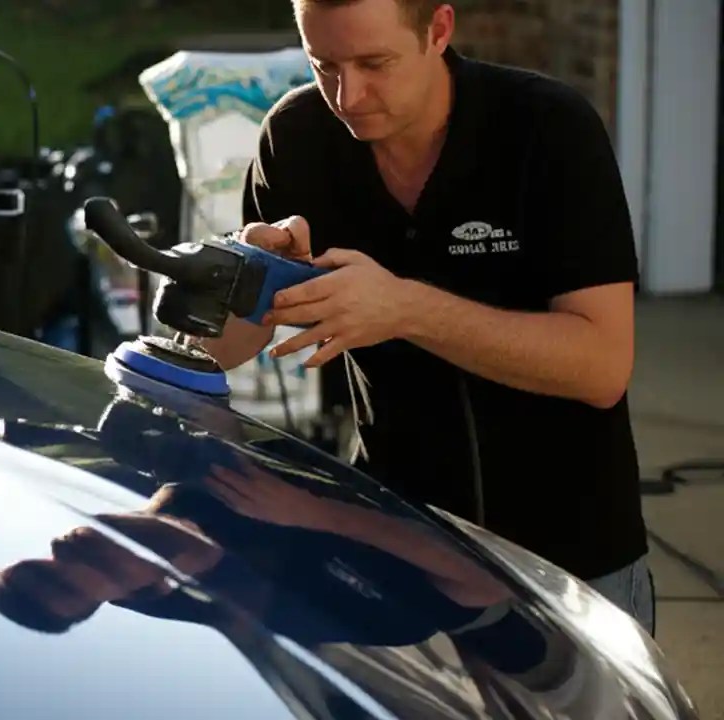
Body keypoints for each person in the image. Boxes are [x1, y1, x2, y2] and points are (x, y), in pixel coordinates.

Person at [197, 0, 654, 634]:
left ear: (439, 30)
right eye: (322, 64)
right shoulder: (296, 135)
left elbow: (602, 366)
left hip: (570, 553)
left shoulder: (546, 127)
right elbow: (220, 352)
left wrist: (405, 308)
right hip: (392, 528)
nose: (348, 96)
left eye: (374, 63)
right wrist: (252, 279)